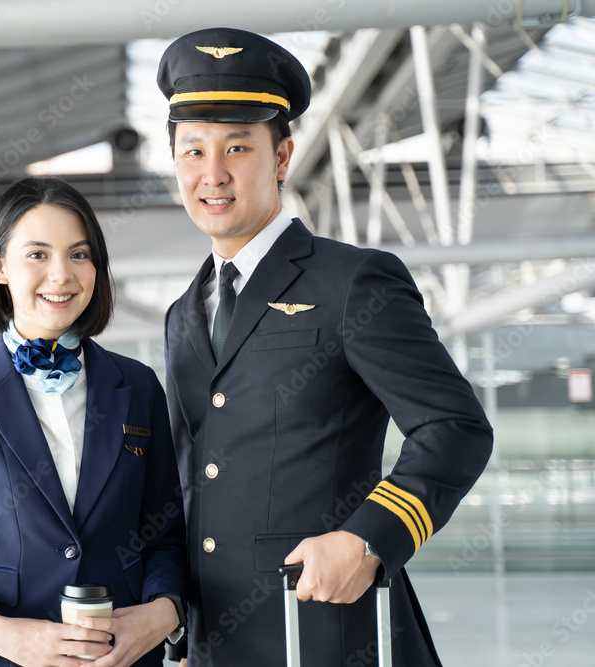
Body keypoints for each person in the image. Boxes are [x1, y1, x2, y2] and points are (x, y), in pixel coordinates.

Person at [157, 28, 494, 665]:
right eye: (193, 151)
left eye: (237, 147)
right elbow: (187, 479)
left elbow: (454, 425)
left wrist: (368, 540)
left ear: (282, 158)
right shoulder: (182, 315)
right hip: (211, 644)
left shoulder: (353, 280)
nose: (214, 174)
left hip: (328, 631)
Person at [0, 177, 187, 667]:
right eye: (37, 255)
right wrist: (2, 635)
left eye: (79, 255)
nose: (61, 275)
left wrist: (163, 614)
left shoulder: (137, 387)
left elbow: (165, 536)